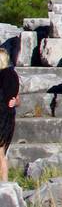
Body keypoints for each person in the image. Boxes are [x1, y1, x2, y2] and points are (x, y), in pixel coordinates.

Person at [0, 47, 20, 182]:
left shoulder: (4, 76)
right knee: (1, 153)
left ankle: (4, 184)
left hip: (2, 117)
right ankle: (5, 182)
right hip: (8, 117)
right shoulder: (13, 75)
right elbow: (16, 99)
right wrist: (16, 102)